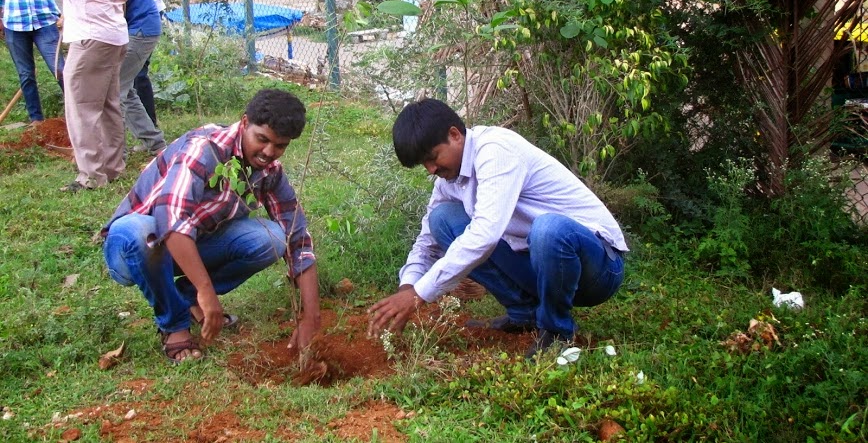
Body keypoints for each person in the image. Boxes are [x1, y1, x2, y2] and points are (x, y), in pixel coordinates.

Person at [368, 98, 628, 357]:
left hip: (598, 268)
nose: (431, 169)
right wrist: (408, 287)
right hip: (542, 265)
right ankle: (524, 314)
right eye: (424, 165)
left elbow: (485, 234)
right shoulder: (449, 180)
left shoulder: (495, 150)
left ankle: (557, 331)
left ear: (455, 134)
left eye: (432, 158)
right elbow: (427, 242)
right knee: (442, 219)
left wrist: (419, 295)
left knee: (548, 229)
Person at [101, 88, 321, 364]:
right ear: (244, 123)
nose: (268, 152)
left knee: (273, 239)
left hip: (191, 244)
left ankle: (188, 297)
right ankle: (174, 325)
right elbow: (172, 222)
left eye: (280, 146)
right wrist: (208, 289)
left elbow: (296, 236)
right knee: (144, 233)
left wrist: (311, 316)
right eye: (262, 139)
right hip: (132, 249)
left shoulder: (269, 172)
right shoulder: (203, 149)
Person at [31, 0, 131, 192]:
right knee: (108, 105)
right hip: (111, 34)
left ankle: (90, 176)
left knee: (82, 107)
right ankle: (112, 168)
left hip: (92, 37)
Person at [0, 0, 65, 124]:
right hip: (15, 24)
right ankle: (36, 120)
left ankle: (76, 114)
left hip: (44, 22)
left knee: (60, 70)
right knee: (26, 74)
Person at [119, 0, 166, 156]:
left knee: (115, 90)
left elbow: (120, 3)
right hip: (139, 25)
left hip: (140, 27)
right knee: (125, 87)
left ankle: (115, 154)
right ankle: (154, 142)